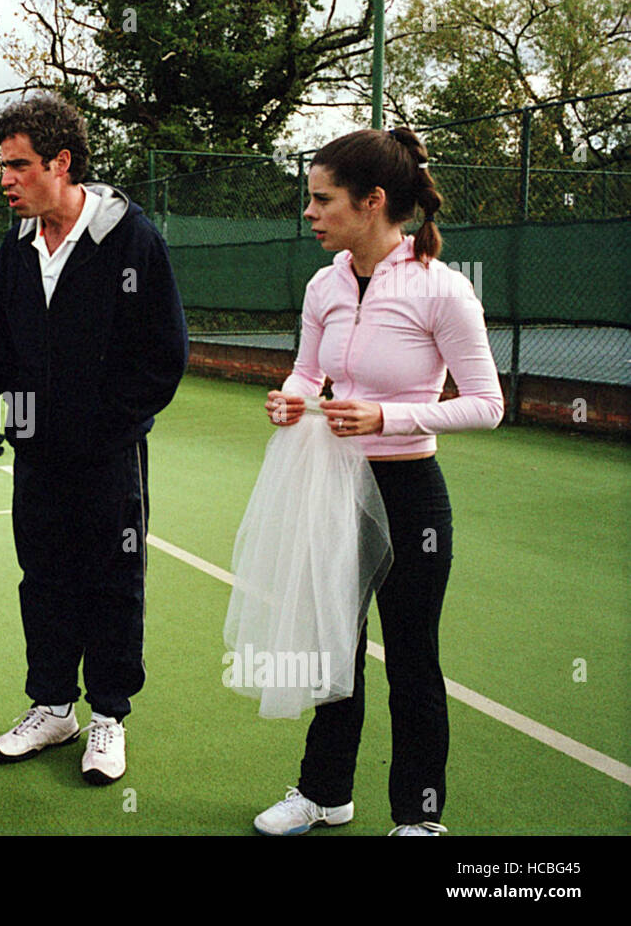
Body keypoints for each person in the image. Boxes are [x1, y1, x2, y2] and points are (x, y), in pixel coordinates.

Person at [0, 93, 189, 786]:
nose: (4, 180)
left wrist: (104, 425)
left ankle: (109, 715)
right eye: (2, 166)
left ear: (61, 163)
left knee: (112, 581)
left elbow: (165, 357)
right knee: (43, 579)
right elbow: (4, 347)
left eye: (18, 166)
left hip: (108, 454)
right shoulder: (15, 247)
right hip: (34, 452)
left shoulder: (133, 240)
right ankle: (53, 706)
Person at [254, 127, 504, 836]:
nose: (309, 212)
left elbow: (487, 404)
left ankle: (419, 816)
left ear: (372, 203)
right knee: (334, 648)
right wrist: (290, 397)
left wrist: (387, 414)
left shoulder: (442, 289)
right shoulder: (323, 283)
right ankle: (324, 793)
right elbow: (308, 371)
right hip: (332, 486)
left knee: (413, 658)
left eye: (321, 199)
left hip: (409, 496)